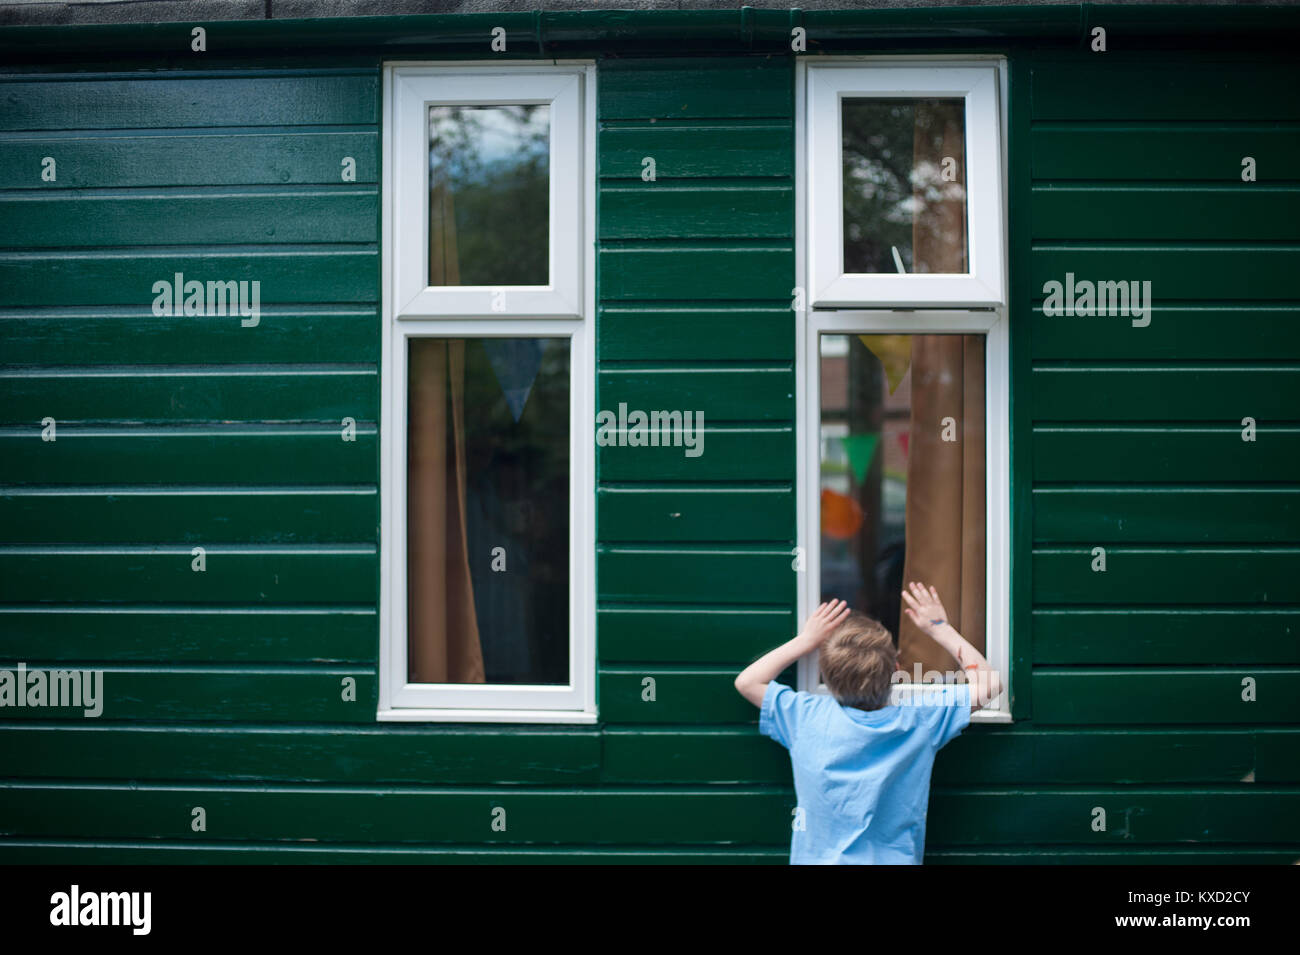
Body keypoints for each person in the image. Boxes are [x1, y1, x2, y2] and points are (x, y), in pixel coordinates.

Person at [733, 582, 1002, 864]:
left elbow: (748, 682)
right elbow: (989, 684)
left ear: (826, 677)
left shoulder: (805, 717)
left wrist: (806, 640)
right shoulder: (920, 720)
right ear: (896, 672)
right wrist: (938, 627)